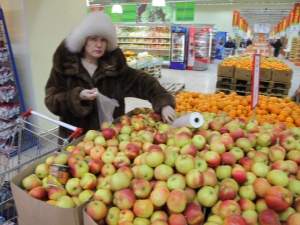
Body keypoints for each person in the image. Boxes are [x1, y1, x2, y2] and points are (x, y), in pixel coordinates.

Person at [44, 12, 176, 139]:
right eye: (93, 39)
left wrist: (162, 102)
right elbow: (51, 100)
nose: (99, 45)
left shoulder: (114, 67)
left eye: (103, 40)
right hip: (76, 138)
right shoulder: (65, 67)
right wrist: (77, 96)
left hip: (111, 138)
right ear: (83, 40)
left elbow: (142, 82)